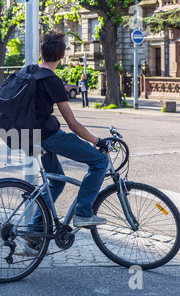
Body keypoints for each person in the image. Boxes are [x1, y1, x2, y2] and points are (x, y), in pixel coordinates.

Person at [23, 31, 112, 249]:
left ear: (41, 51)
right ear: (63, 55)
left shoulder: (28, 71)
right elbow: (73, 124)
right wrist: (97, 141)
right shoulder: (52, 80)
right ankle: (83, 213)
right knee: (99, 162)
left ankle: (35, 234)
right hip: (48, 137)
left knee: (55, 181)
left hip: (28, 137)